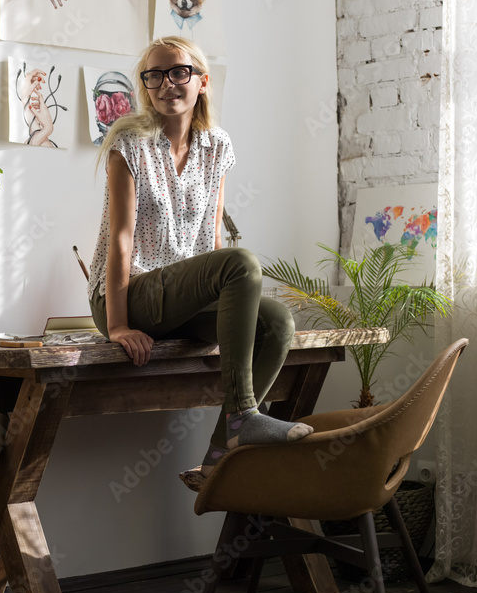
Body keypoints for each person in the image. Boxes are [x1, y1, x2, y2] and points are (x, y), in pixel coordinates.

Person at [87, 35, 313, 491]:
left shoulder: (217, 146)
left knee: (278, 324)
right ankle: (247, 414)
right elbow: (121, 238)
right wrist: (117, 326)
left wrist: (219, 297)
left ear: (202, 81)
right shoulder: (129, 142)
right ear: (146, 87)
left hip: (183, 299)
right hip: (132, 295)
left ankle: (217, 455)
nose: (167, 83)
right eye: (154, 76)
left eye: (179, 72)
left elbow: (210, 235)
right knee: (242, 262)